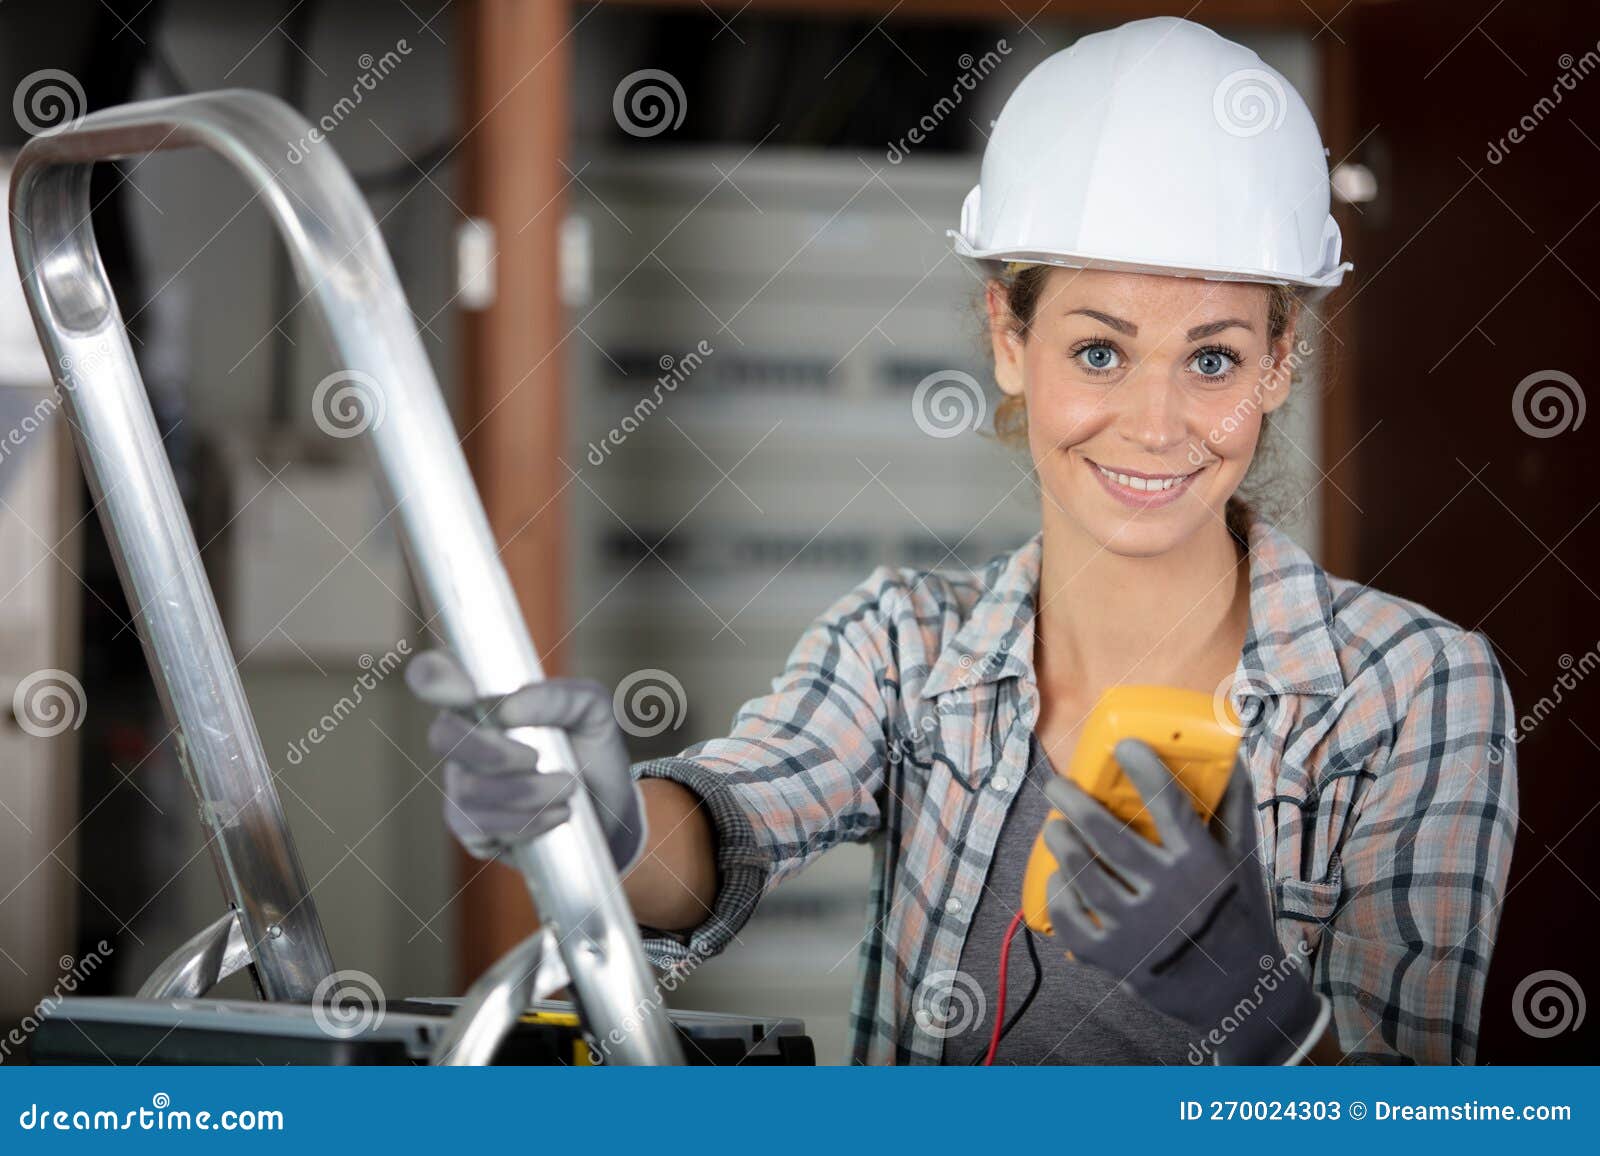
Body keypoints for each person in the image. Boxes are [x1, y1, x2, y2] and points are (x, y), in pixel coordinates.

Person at [407, 16, 1516, 1065]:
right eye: (1098, 351)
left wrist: (1244, 992)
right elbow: (731, 824)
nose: (1156, 422)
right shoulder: (903, 649)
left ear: (1279, 362)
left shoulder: (1414, 694)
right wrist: (601, 828)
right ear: (1008, 337)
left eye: (1214, 358)